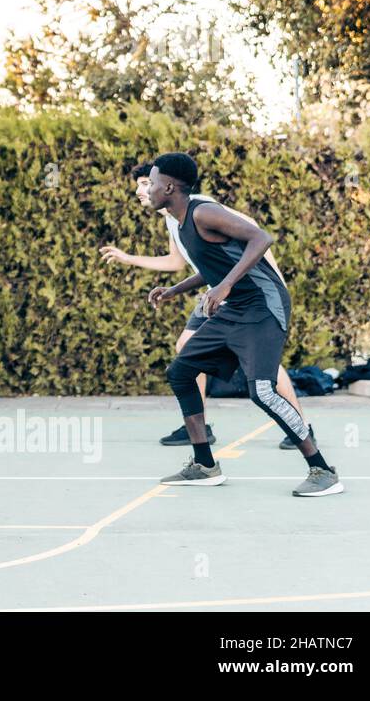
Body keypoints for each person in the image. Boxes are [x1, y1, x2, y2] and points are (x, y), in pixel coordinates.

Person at [144, 153, 341, 497]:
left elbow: (261, 238)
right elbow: (214, 265)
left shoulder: (203, 211)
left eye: (152, 182)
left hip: (263, 306)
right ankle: (205, 465)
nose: (148, 188)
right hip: (235, 309)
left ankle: (323, 470)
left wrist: (226, 285)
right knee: (181, 372)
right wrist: (175, 289)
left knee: (262, 391)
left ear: (170, 186)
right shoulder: (179, 224)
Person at [101, 164, 313, 449]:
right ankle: (198, 427)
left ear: (167, 186)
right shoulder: (173, 220)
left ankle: (301, 427)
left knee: (264, 371)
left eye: (145, 183)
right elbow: (179, 263)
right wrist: (135, 263)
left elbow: (254, 233)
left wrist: (250, 282)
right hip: (218, 291)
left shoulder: (202, 208)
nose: (141, 190)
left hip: (247, 293)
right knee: (185, 351)